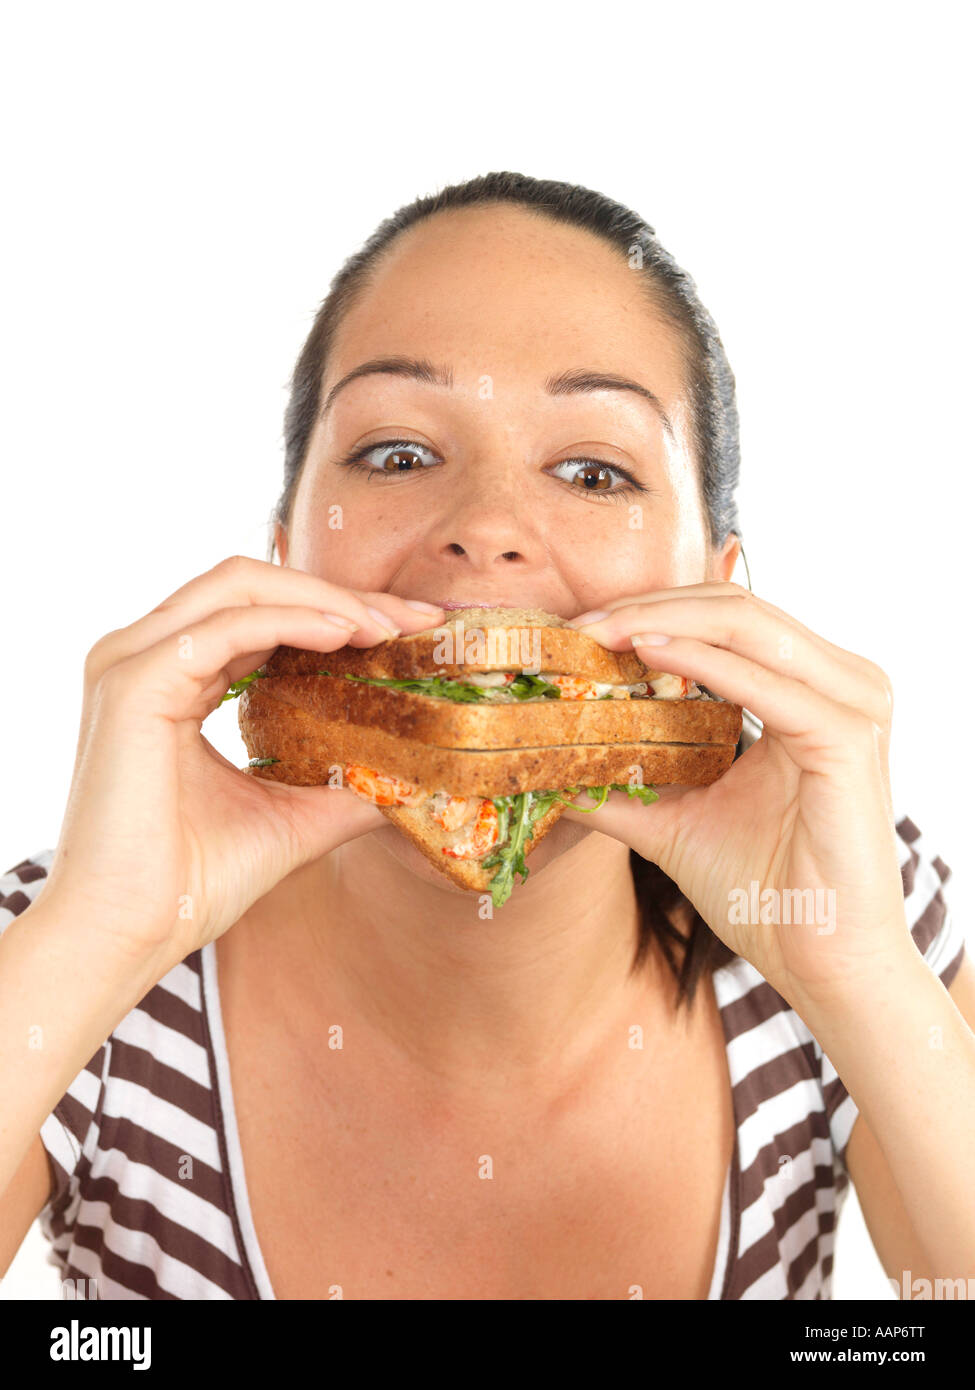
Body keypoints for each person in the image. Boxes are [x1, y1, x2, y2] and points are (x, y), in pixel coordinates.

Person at [1, 172, 972, 1301]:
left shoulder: (851, 900)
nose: (488, 531)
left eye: (594, 469)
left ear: (718, 588)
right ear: (283, 562)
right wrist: (100, 937)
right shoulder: (59, 947)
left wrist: (857, 977)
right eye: (399, 454)